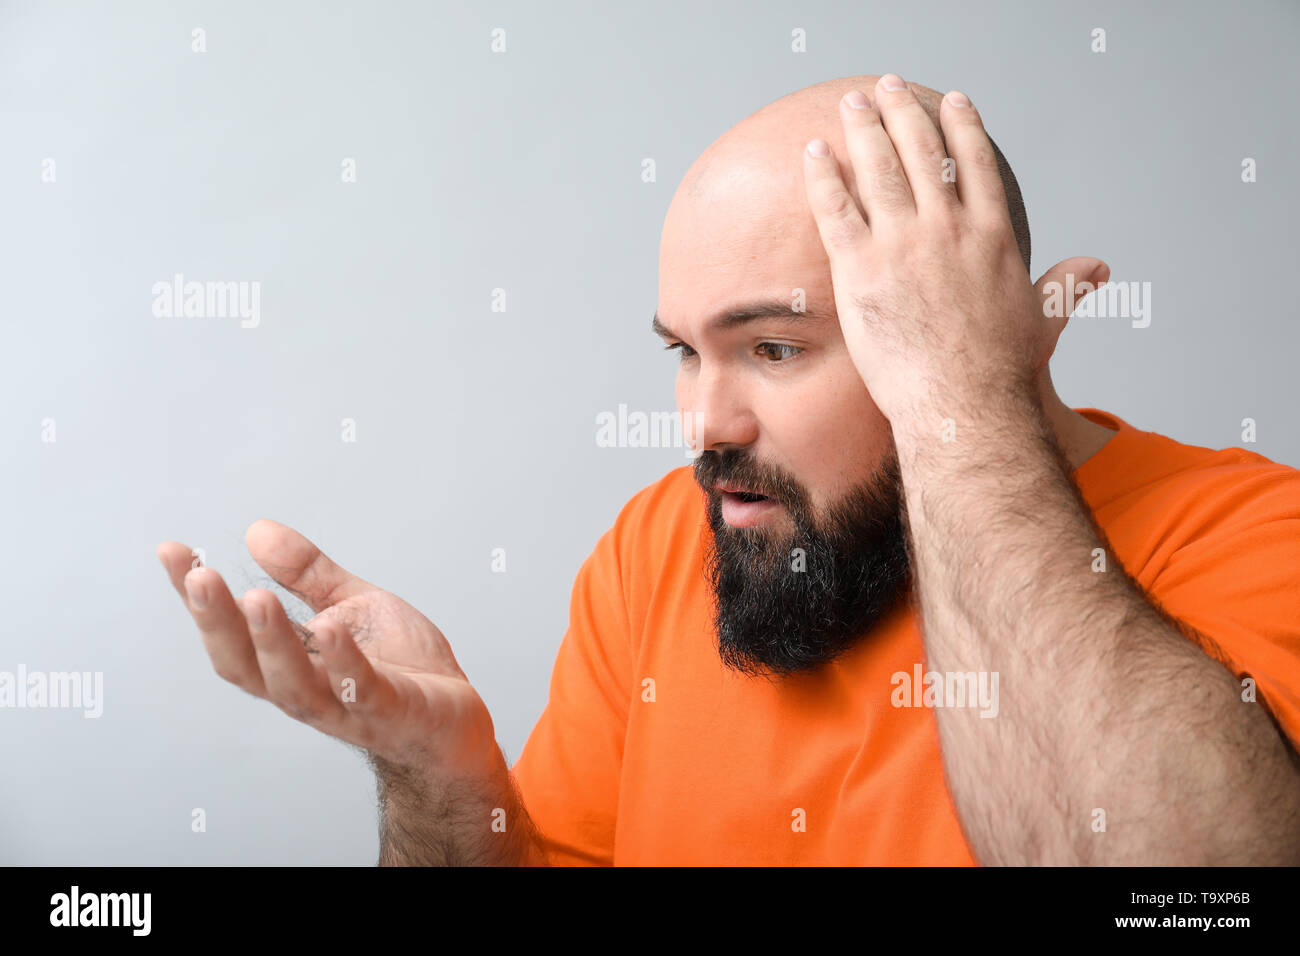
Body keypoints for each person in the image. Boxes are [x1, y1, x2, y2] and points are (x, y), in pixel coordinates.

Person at [157, 74, 1300, 865]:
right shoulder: (662, 546)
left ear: (975, 331)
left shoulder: (1249, 536)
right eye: (682, 352)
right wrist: (436, 779)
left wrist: (964, 403)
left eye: (772, 349)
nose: (703, 422)